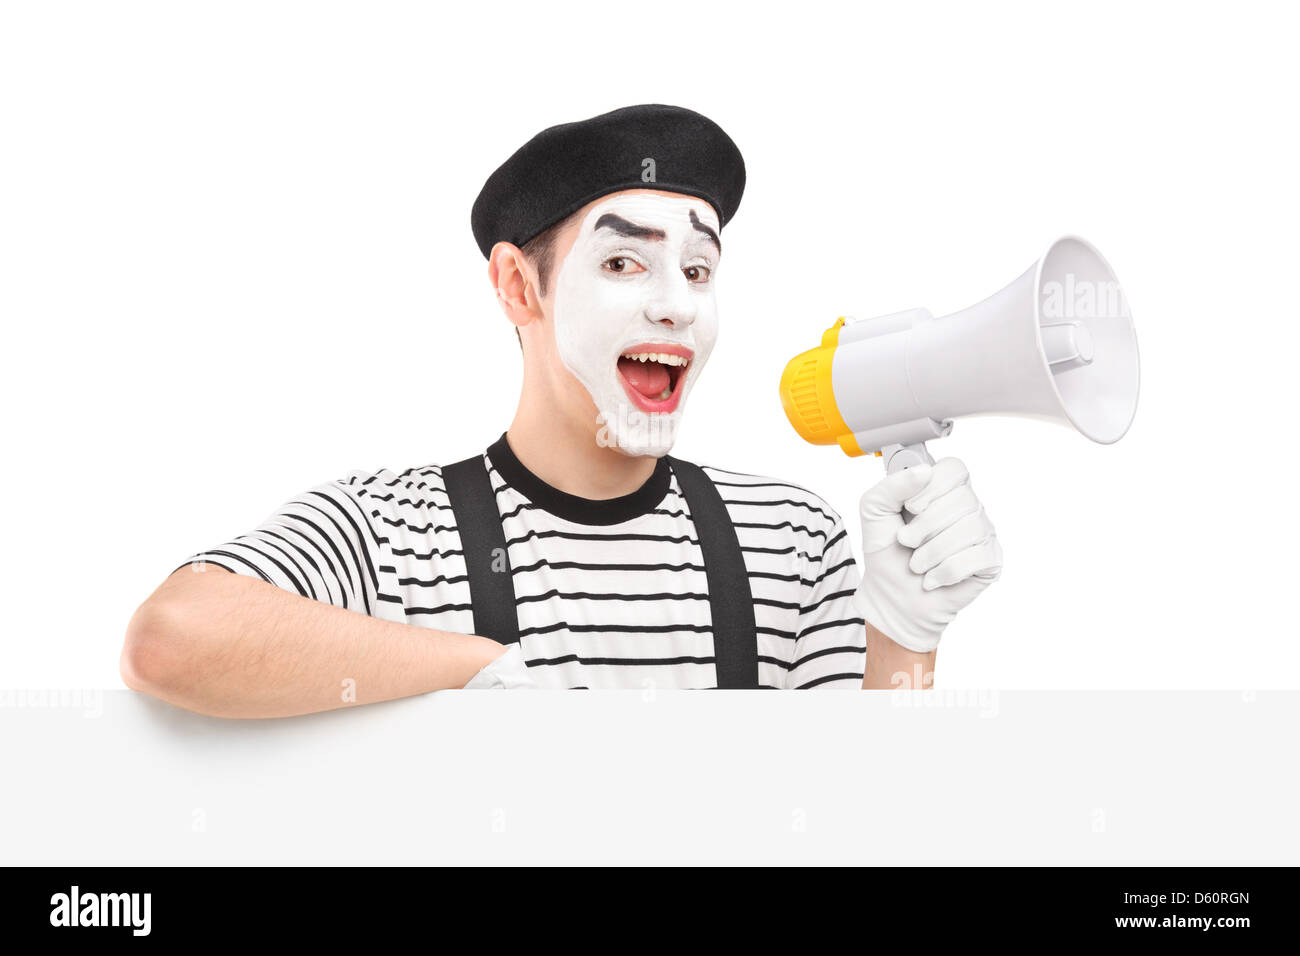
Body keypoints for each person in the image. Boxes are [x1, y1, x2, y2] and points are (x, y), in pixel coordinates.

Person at [120, 104, 1002, 713]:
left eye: (699, 270)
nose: (677, 306)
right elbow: (173, 639)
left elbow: (875, 823)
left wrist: (903, 639)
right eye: (624, 264)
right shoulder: (390, 529)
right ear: (516, 286)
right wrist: (477, 668)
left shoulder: (793, 539)